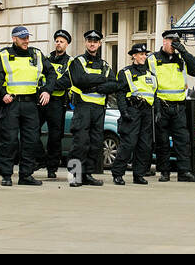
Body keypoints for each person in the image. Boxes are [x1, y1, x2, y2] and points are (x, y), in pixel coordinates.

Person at [0, 26, 55, 186]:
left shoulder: (36, 54)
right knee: (9, 141)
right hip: (11, 104)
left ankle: (26, 175)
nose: (26, 41)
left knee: (31, 141)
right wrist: (2, 94)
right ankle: (6, 175)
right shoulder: (4, 55)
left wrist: (47, 90)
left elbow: (51, 73)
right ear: (14, 38)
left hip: (30, 104)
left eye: (28, 37)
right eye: (23, 38)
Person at [66, 29, 119, 186]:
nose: (92, 44)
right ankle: (74, 177)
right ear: (85, 42)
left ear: (99, 44)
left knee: (95, 144)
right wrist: (102, 79)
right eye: (90, 41)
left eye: (95, 41)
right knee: (80, 143)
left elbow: (114, 84)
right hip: (83, 108)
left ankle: (87, 174)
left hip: (99, 110)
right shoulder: (78, 61)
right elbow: (79, 80)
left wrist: (95, 86)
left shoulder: (104, 64)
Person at [150, 31, 195, 182]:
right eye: (171, 41)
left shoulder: (182, 58)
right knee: (162, 141)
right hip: (162, 105)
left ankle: (184, 172)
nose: (173, 44)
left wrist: (184, 51)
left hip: (179, 106)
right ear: (164, 41)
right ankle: (164, 172)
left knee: (182, 140)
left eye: (176, 41)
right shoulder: (153, 59)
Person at [111, 42, 156, 185]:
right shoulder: (126, 72)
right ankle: (118, 173)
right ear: (134, 56)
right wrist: (123, 111)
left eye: (145, 54)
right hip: (132, 110)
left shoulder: (151, 74)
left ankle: (139, 174)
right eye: (141, 54)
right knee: (128, 144)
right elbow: (120, 94)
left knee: (144, 145)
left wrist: (158, 111)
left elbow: (155, 94)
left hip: (147, 112)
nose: (144, 57)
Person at [35, 29, 73, 179]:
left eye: (61, 41)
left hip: (57, 102)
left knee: (55, 137)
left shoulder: (70, 62)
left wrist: (49, 88)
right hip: (43, 100)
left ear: (67, 44)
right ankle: (40, 158)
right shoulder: (46, 58)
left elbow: (66, 81)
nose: (58, 43)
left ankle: (52, 168)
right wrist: (45, 90)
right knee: (32, 129)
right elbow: (39, 76)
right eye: (57, 41)